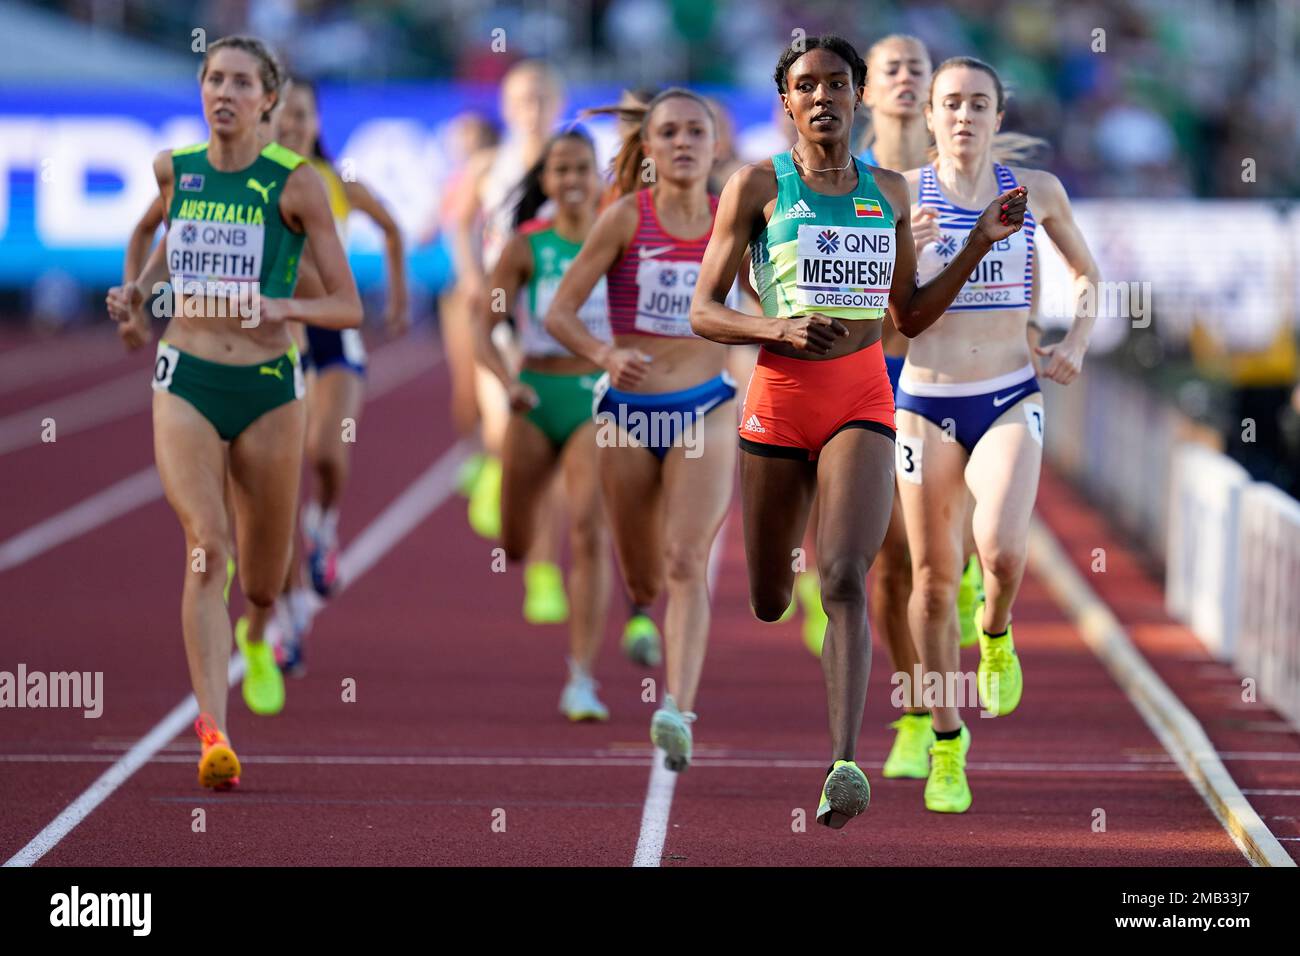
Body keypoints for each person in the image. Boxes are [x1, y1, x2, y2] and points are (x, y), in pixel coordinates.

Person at [689, 35, 1027, 827]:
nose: (822, 98)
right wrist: (771, 327)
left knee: (845, 574)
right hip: (778, 399)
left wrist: (979, 241)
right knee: (774, 597)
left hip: (864, 397)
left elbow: (908, 315)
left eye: (838, 84)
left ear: (857, 97)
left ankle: (844, 762)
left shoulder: (889, 193)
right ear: (787, 103)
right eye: (806, 86)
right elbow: (704, 310)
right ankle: (783, 591)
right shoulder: (753, 186)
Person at [106, 36, 362, 789]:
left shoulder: (297, 184)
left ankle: (258, 635)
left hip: (272, 389)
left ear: (268, 101)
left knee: (262, 578)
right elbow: (150, 237)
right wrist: (136, 302)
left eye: (242, 83)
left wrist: (275, 303)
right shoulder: (175, 169)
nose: (225, 93)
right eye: (214, 78)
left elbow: (346, 303)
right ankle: (213, 732)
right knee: (205, 545)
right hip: (185, 377)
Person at [897, 56, 1099, 813]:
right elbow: (898, 315)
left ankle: (998, 629)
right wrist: (903, 246)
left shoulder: (1034, 192)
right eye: (950, 103)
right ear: (929, 116)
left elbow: (1088, 277)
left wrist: (1075, 338)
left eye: (978, 104)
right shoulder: (902, 198)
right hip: (924, 399)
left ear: (997, 117)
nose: (963, 116)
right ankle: (948, 745)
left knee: (1004, 551)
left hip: (1010, 390)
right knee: (930, 578)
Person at [545, 89, 738, 771]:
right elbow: (560, 312)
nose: (683, 143)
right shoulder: (626, 217)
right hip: (628, 415)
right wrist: (605, 355)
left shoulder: (736, 222)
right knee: (645, 573)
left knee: (687, 559)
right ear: (648, 149)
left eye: (696, 131)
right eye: (669, 133)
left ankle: (676, 709)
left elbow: (780, 304)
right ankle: (640, 609)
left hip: (708, 407)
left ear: (717, 146)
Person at [475, 128, 617, 719]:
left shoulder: (619, 239)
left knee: (587, 530)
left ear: (598, 176)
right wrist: (507, 385)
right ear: (547, 181)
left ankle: (581, 676)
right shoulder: (527, 246)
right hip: (535, 394)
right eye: (561, 171)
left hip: (595, 395)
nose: (573, 180)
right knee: (513, 538)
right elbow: (483, 326)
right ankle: (525, 554)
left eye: (583, 168)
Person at [274, 77, 410, 611]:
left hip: (333, 334)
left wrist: (398, 300)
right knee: (279, 479)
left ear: (317, 122)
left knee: (326, 453)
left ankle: (325, 523)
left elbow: (392, 228)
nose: (290, 124)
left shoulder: (337, 182)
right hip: (276, 339)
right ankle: (286, 614)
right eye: (281, 114)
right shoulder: (252, 183)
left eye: (301, 114)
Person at [452, 60, 571, 626]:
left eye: (544, 94)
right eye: (523, 96)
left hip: (557, 323)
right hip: (503, 319)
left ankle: (545, 573)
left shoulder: (573, 163)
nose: (534, 105)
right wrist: (475, 277)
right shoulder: (488, 165)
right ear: (505, 105)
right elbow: (457, 224)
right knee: (504, 430)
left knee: (549, 457)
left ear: (559, 100)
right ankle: (496, 466)